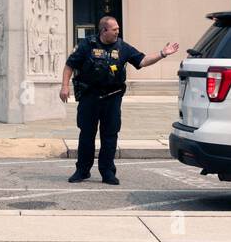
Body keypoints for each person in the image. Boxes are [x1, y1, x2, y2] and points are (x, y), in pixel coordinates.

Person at [59, 15, 178, 185]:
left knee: (110, 136)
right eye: (114, 29)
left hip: (112, 98)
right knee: (86, 135)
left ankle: (107, 172)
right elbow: (70, 65)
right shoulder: (87, 45)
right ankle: (82, 170)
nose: (117, 32)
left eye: (118, 29)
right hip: (90, 97)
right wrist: (64, 86)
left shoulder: (122, 47)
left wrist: (162, 54)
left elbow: (142, 61)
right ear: (104, 30)